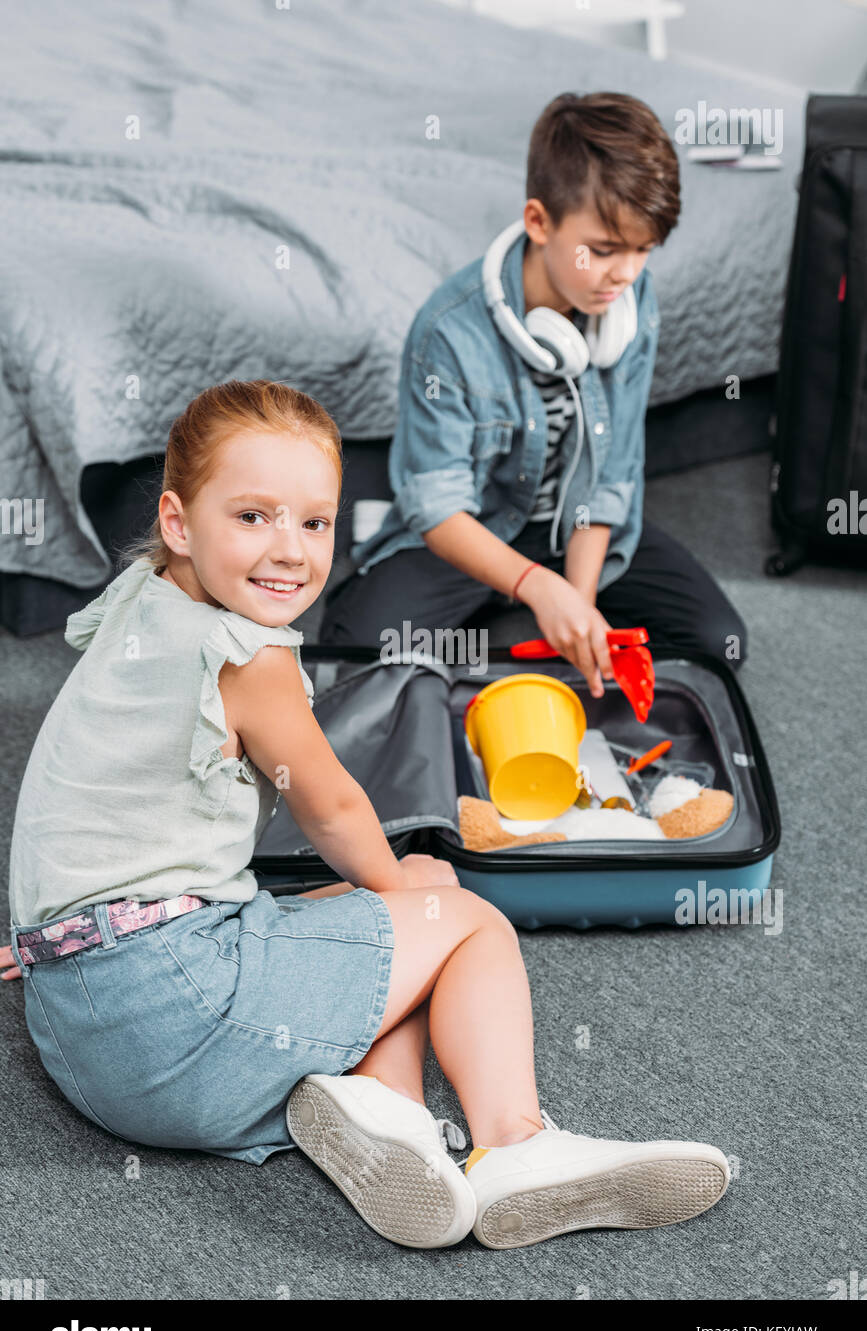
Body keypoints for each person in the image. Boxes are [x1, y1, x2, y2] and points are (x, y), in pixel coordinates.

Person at [2, 379, 730, 1251]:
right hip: (176, 1031)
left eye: (313, 523)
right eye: (253, 517)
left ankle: (391, 1121)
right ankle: (514, 1146)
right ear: (177, 522)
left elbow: (81, 797)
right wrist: (414, 893)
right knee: (457, 922)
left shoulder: (141, 600)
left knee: (362, 924)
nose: (290, 551)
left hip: (80, 1030)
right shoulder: (248, 655)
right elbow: (336, 809)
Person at [319, 91, 748, 687]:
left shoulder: (631, 303)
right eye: (602, 250)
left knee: (715, 646)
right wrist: (535, 586)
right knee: (359, 653)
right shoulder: (447, 330)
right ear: (539, 222)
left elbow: (611, 477)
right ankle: (509, 606)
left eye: (643, 251)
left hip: (572, 531)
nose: (624, 274)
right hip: (478, 528)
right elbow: (437, 507)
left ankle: (521, 616)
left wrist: (579, 597)